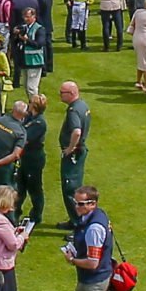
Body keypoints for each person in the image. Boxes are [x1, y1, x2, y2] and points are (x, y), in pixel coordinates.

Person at [56, 81, 90, 220]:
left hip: (74, 154)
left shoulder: (73, 111)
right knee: (75, 186)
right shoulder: (83, 105)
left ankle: (77, 223)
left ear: (71, 94)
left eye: (62, 93)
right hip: (80, 151)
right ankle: (74, 221)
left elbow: (76, 131)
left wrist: (70, 148)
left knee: (70, 189)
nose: (60, 96)